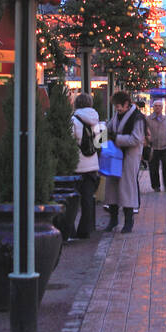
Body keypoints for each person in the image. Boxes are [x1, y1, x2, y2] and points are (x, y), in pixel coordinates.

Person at [103, 91, 145, 234]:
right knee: (112, 186)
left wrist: (116, 138)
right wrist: (103, 136)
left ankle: (128, 221)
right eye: (116, 106)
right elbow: (109, 128)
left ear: (127, 104)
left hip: (129, 156)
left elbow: (136, 139)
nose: (117, 109)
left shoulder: (138, 118)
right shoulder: (117, 115)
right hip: (115, 156)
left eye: (119, 106)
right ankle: (113, 219)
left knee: (127, 188)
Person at [70, 93, 102, 239]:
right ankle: (86, 230)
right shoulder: (98, 121)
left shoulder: (73, 120)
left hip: (76, 165)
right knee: (88, 199)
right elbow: (101, 144)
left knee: (72, 200)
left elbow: (68, 142)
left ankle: (70, 230)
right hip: (92, 166)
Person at [145, 101, 166, 192]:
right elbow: (145, 131)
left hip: (165, 146)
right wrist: (148, 140)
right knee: (153, 168)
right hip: (153, 147)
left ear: (162, 107)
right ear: (153, 107)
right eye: (155, 106)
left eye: (159, 106)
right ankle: (156, 186)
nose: (157, 107)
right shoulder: (148, 119)